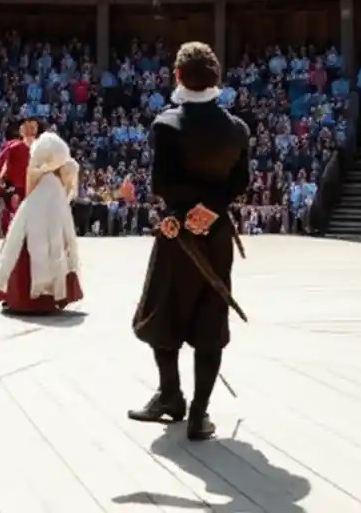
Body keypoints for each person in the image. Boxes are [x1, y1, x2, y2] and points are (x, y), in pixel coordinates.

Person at [128, 42, 250, 442]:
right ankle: (199, 415)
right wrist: (211, 208)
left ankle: (170, 396)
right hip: (214, 234)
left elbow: (162, 184)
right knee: (210, 318)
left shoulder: (166, 125)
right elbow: (240, 183)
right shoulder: (237, 129)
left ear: (178, 76)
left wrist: (190, 209)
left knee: (163, 312)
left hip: (177, 231)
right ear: (215, 78)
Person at [0, 131, 84, 314]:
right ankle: (55, 295)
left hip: (35, 205)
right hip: (56, 205)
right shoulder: (63, 168)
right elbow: (70, 187)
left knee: (22, 241)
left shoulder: (36, 170)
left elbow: (29, 185)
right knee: (57, 245)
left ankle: (21, 297)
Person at [0, 117, 39, 235]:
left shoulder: (38, 149)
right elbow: (2, 168)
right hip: (17, 188)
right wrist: (4, 186)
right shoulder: (14, 148)